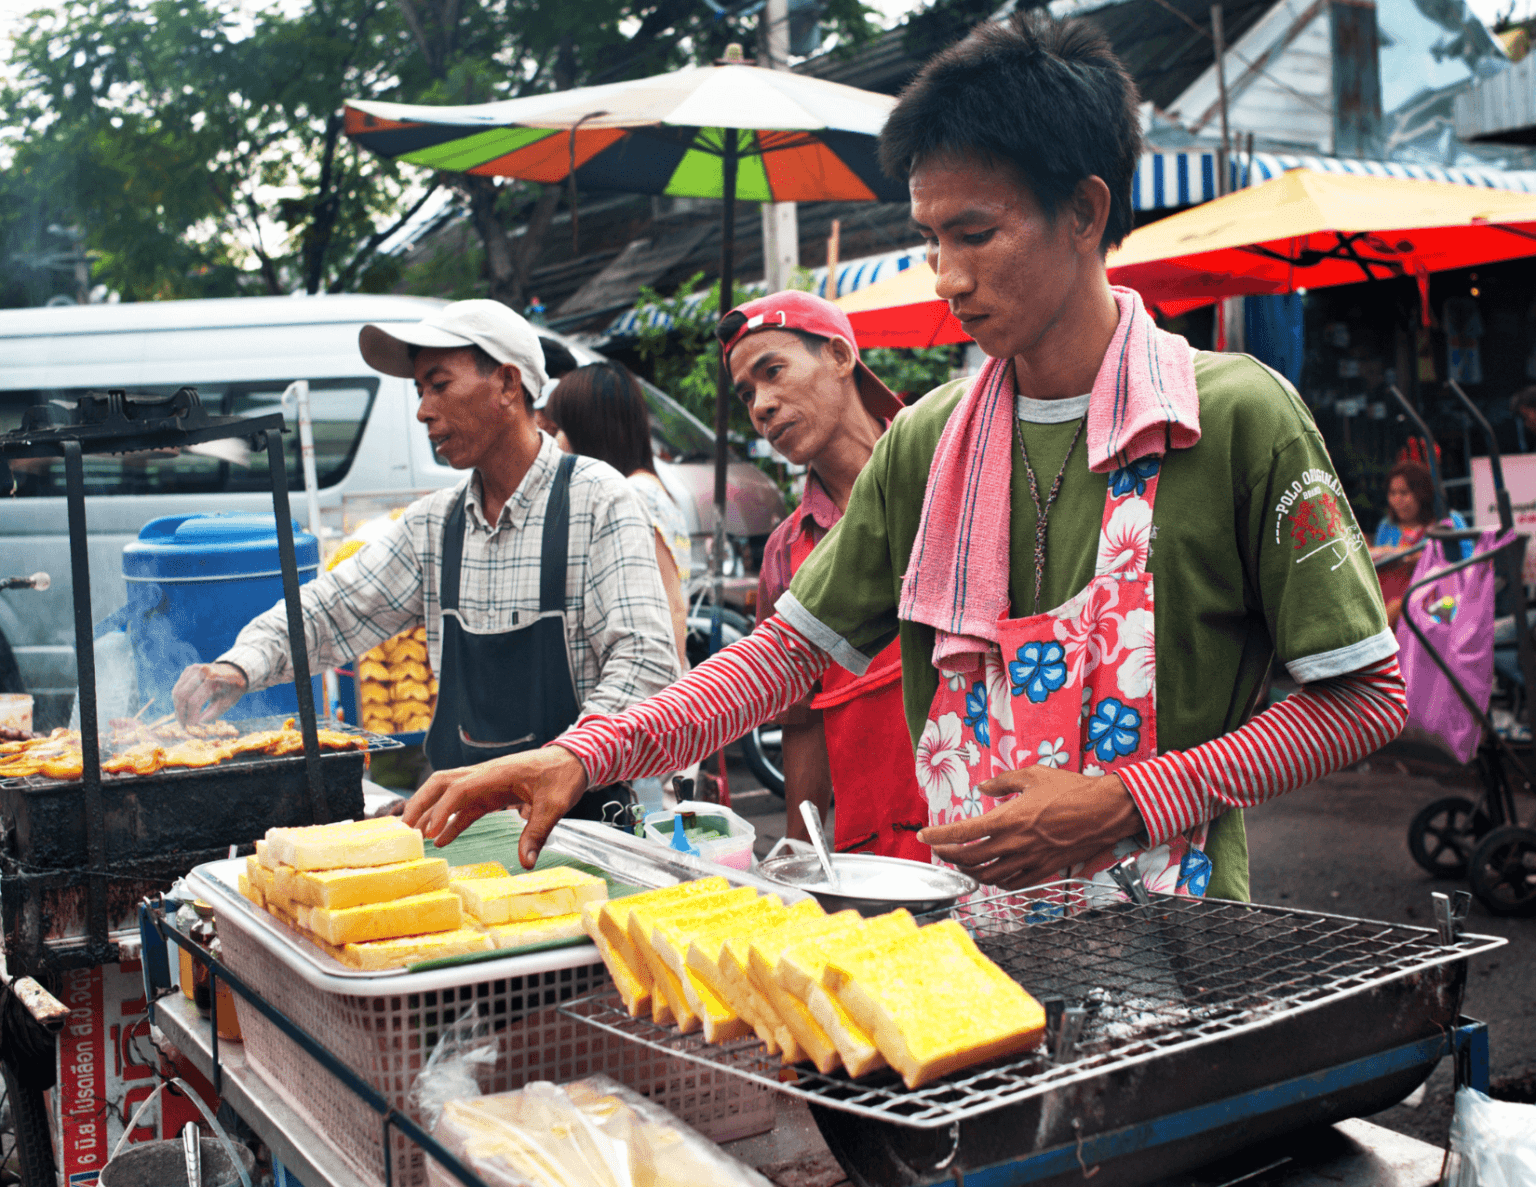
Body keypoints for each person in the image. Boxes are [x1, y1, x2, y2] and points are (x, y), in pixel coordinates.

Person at [403, 14, 1408, 899]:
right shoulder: (930, 441)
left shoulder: (1230, 417)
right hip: (964, 934)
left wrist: (1127, 798)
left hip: (1184, 935)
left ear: (1086, 211)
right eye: (930, 238)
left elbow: (1364, 695)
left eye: (976, 232)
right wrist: (584, 754)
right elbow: (785, 656)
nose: (948, 277)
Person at [173, 299, 680, 820]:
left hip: (577, 825)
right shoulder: (435, 525)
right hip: (464, 829)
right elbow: (333, 609)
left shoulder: (597, 499)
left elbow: (645, 660)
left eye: (439, 385)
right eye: (419, 390)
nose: (422, 410)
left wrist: (565, 759)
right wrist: (240, 664)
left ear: (507, 385)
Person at [732, 290, 929, 860]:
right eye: (747, 394)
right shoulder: (785, 553)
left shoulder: (951, 469)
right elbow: (800, 722)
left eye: (773, 372)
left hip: (988, 830)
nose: (761, 405)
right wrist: (799, 848)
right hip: (876, 855)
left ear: (841, 357)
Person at [544, 361, 691, 669]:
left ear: (589, 431)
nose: (555, 442)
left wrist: (666, 705)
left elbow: (671, 608)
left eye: (560, 430)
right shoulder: (647, 488)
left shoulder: (633, 495)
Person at [1369, 460, 1470, 624]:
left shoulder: (1449, 521)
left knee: (1398, 606)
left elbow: (1466, 564)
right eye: (1392, 493)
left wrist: (1423, 559)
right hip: (1392, 596)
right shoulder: (1387, 526)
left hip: (1441, 597)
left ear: (1421, 494)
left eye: (1404, 493)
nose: (1397, 500)